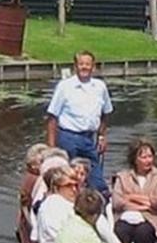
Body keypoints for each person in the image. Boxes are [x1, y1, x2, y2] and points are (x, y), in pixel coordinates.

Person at [46, 51, 113, 195]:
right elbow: (52, 118)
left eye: (88, 64)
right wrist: (52, 149)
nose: (84, 67)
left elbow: (105, 113)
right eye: (81, 64)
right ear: (75, 66)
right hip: (68, 137)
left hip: (89, 139)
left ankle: (98, 204)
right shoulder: (65, 87)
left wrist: (102, 136)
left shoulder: (100, 87)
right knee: (69, 177)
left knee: (97, 181)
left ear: (93, 67)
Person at [34, 165, 79, 243]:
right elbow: (60, 238)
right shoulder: (54, 207)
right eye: (68, 186)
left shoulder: (64, 204)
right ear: (55, 188)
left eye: (76, 185)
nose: (74, 190)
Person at [19, 143, 50, 230]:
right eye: (41, 162)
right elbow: (25, 205)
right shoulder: (33, 179)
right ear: (33, 165)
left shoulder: (29, 177)